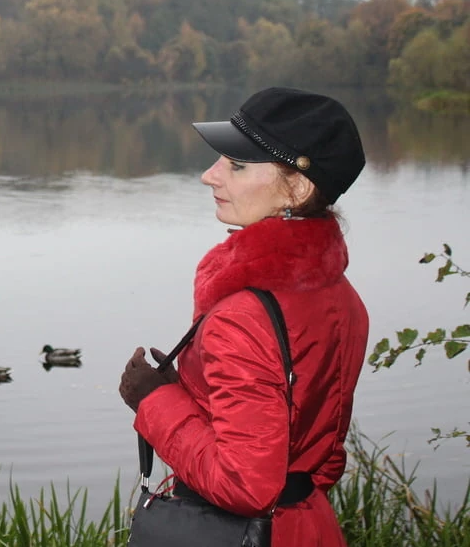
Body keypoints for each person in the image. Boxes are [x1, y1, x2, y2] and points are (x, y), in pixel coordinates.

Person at [118, 87, 369, 546]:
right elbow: (323, 457)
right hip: (310, 527)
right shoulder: (341, 296)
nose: (208, 176)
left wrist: (153, 402)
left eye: (236, 165)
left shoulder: (241, 316)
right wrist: (193, 395)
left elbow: (246, 486)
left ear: (298, 186)